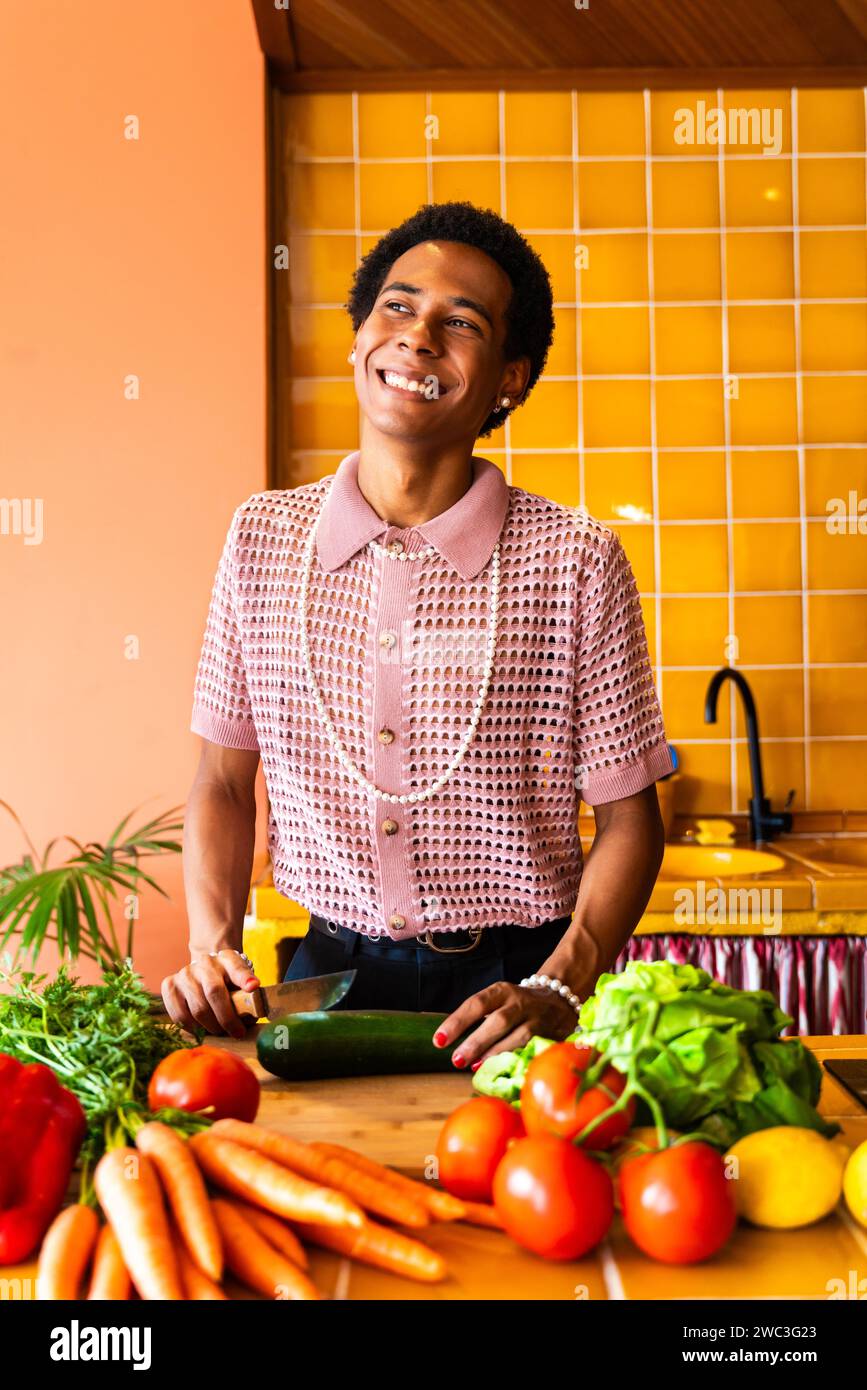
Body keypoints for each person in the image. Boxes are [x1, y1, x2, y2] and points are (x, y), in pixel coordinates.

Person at [162, 200, 673, 1070]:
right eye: (396, 307)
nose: (419, 336)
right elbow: (221, 779)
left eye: (460, 322)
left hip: (517, 986)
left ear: (510, 377)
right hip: (324, 982)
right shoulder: (260, 538)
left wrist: (563, 981)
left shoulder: (576, 559)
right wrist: (213, 944)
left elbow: (630, 816)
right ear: (358, 340)